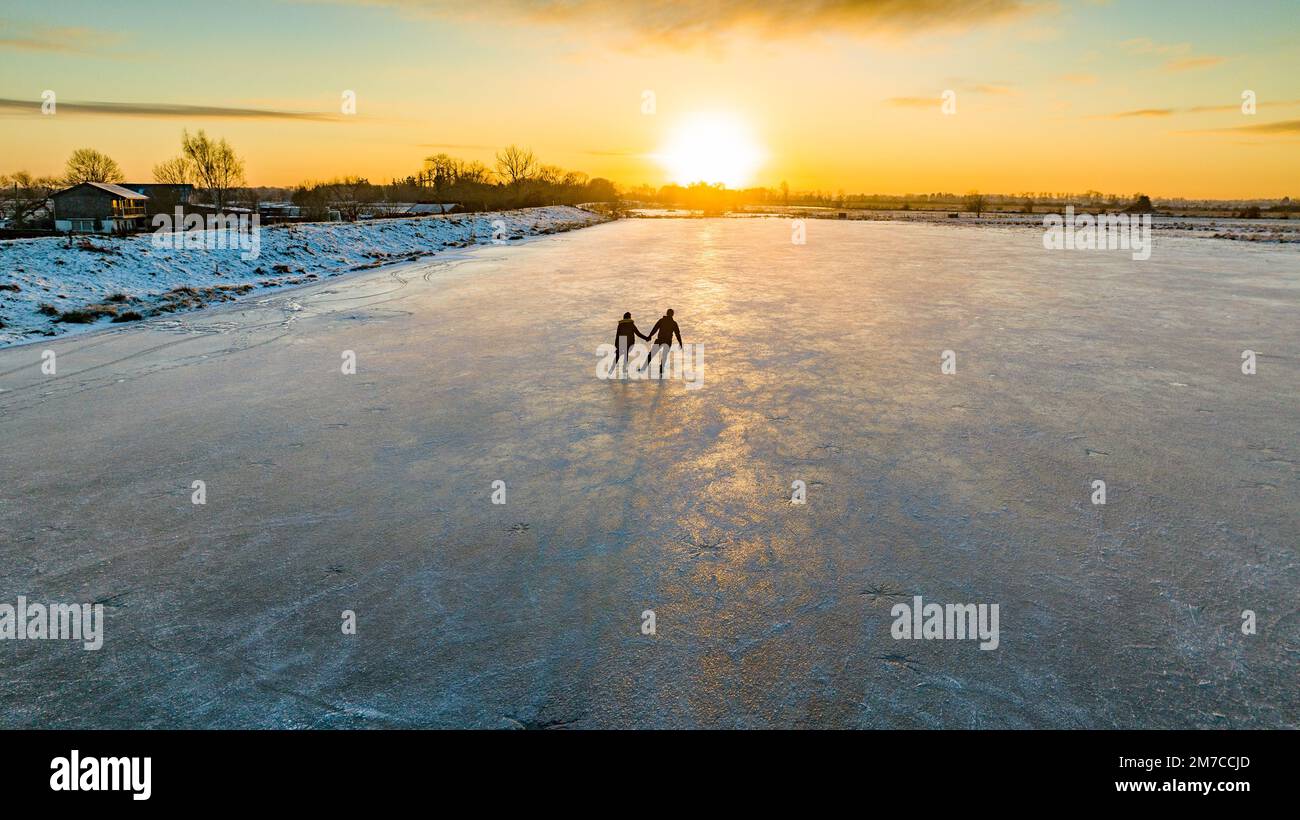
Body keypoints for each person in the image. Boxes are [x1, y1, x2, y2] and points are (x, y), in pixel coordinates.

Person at [642, 308, 683, 377]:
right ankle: (661, 370)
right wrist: (680, 343)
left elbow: (655, 329)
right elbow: (677, 334)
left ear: (667, 313)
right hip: (667, 341)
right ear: (672, 314)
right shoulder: (674, 323)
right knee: (664, 355)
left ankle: (644, 368)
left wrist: (650, 336)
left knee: (652, 354)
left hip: (660, 340)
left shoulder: (662, 320)